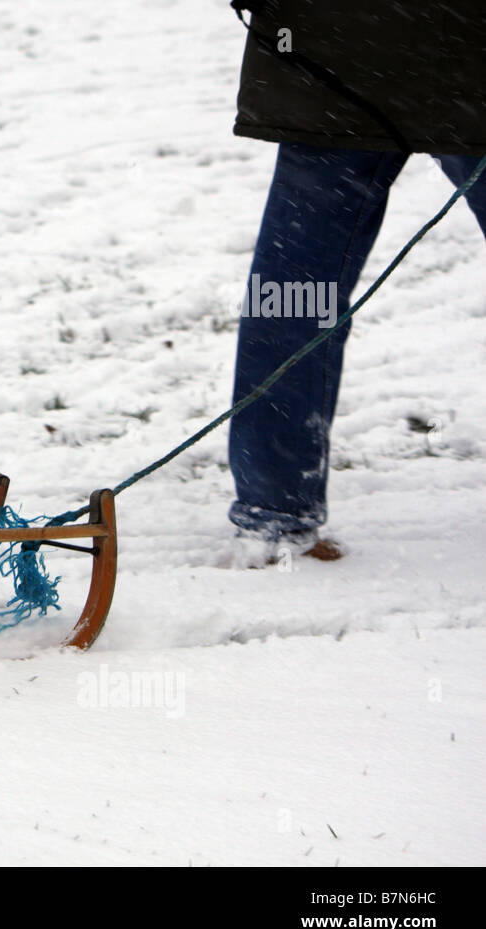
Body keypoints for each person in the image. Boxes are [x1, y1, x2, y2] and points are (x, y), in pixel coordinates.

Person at [226, 1, 486, 564]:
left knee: (296, 289)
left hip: (338, 50)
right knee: (295, 288)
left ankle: (273, 514)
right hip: (446, 50)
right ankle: (272, 514)